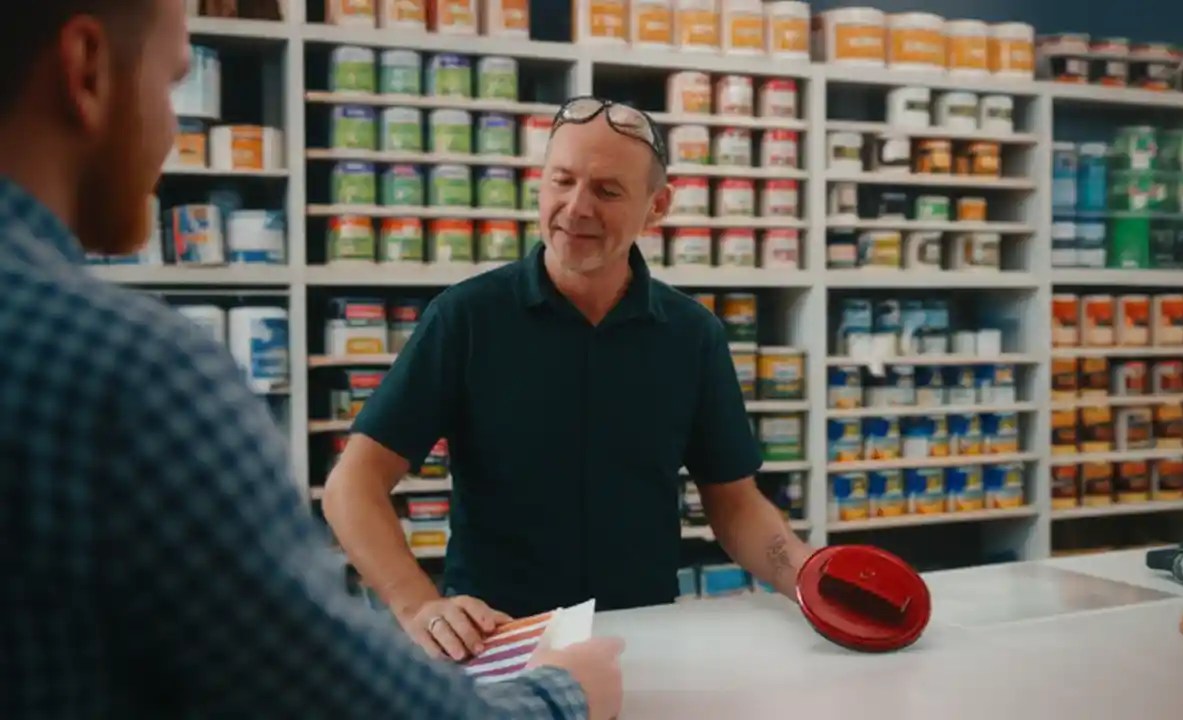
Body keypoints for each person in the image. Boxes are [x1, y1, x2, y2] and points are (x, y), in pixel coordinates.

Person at [0, 2, 623, 717]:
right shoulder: (130, 379)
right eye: (173, 85)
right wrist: (565, 694)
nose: (174, 130)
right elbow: (336, 705)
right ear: (86, 69)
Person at [324, 95, 817, 662]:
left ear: (657, 207)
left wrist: (805, 574)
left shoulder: (692, 336)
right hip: (499, 644)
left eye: (607, 191)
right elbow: (352, 486)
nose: (575, 207)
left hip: (645, 640)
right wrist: (418, 606)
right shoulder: (467, 318)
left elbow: (734, 503)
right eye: (561, 181)